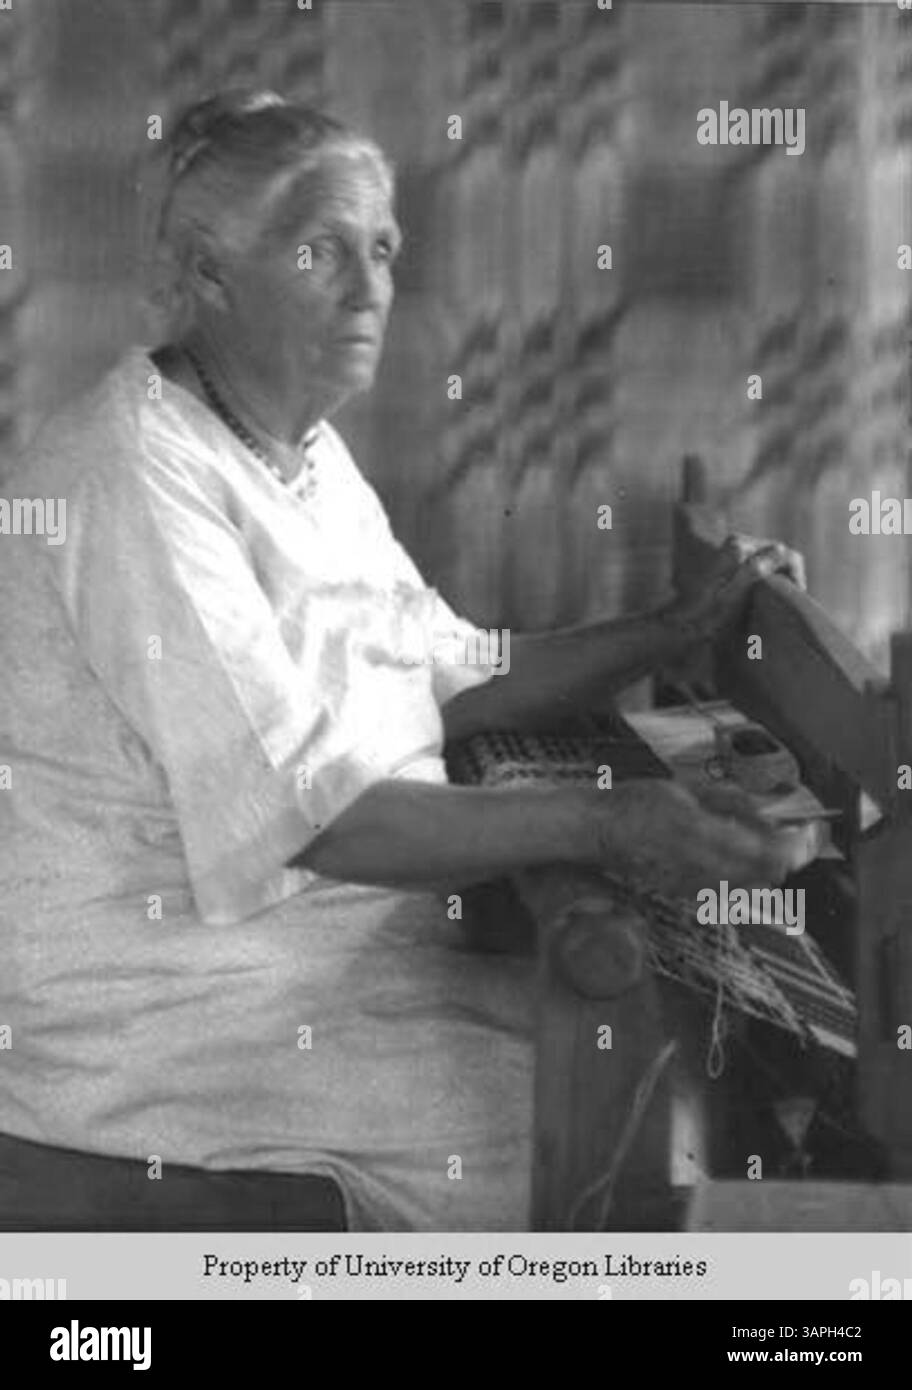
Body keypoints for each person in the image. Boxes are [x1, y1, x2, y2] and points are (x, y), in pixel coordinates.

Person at [0, 90, 800, 1231]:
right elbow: (318, 816)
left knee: (649, 1075)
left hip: (297, 954)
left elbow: (449, 667)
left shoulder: (295, 452)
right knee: (606, 1127)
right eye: (320, 250)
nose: (371, 286)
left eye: (382, 250)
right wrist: (611, 820)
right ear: (208, 272)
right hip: (155, 1011)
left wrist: (667, 632)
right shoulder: (134, 474)